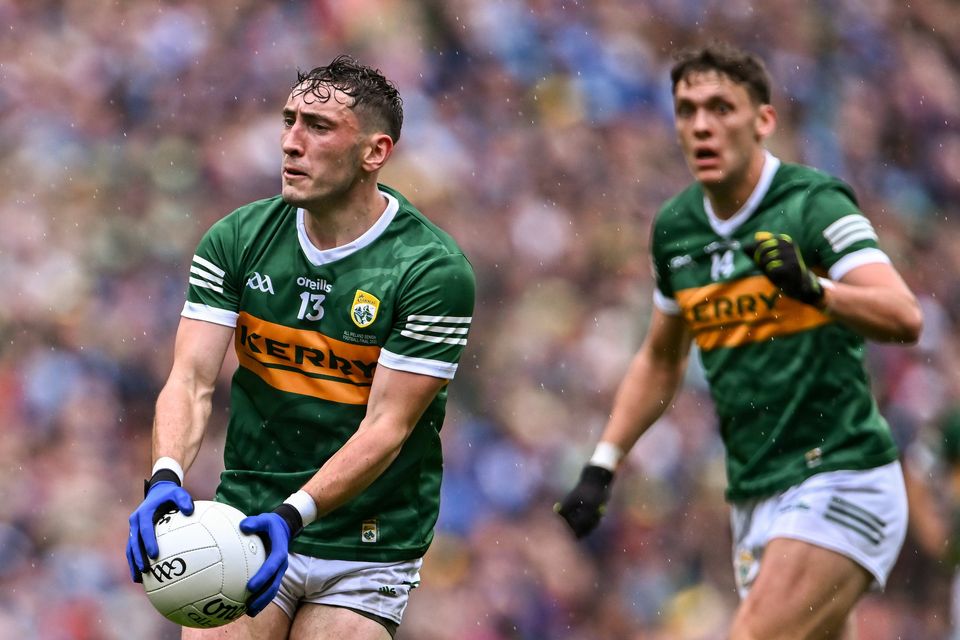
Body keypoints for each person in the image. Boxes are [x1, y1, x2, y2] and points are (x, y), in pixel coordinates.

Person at [556, 43, 923, 639]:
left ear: (764, 121)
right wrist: (604, 461)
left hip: (841, 474)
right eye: (686, 109)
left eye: (721, 107)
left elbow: (904, 316)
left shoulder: (812, 203)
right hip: (756, 493)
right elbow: (660, 356)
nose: (701, 124)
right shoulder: (677, 228)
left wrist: (814, 289)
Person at [126, 55, 476, 640]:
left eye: (317, 126)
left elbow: (387, 427)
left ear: (375, 152)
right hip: (244, 521)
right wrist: (164, 477)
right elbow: (189, 380)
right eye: (288, 121)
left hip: (368, 537)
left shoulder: (432, 271)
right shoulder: (237, 238)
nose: (290, 142)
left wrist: (295, 514)